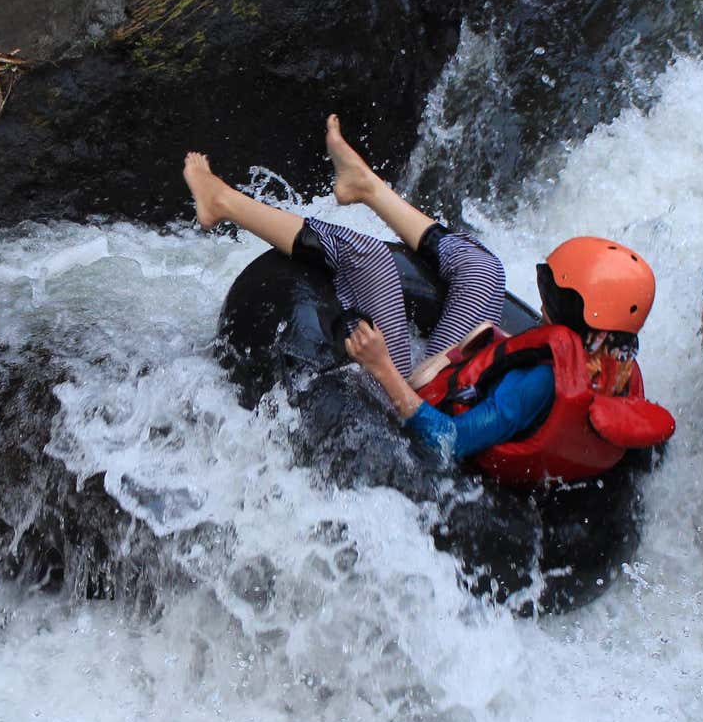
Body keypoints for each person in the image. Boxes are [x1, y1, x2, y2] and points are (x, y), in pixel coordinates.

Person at [183, 116, 674, 483]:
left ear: (583, 314)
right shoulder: (615, 363)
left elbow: (447, 442)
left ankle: (222, 202)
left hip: (422, 398)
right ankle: (367, 187)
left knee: (366, 256)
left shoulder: (536, 385)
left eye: (553, 291)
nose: (543, 296)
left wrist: (381, 368)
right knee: (484, 268)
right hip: (461, 376)